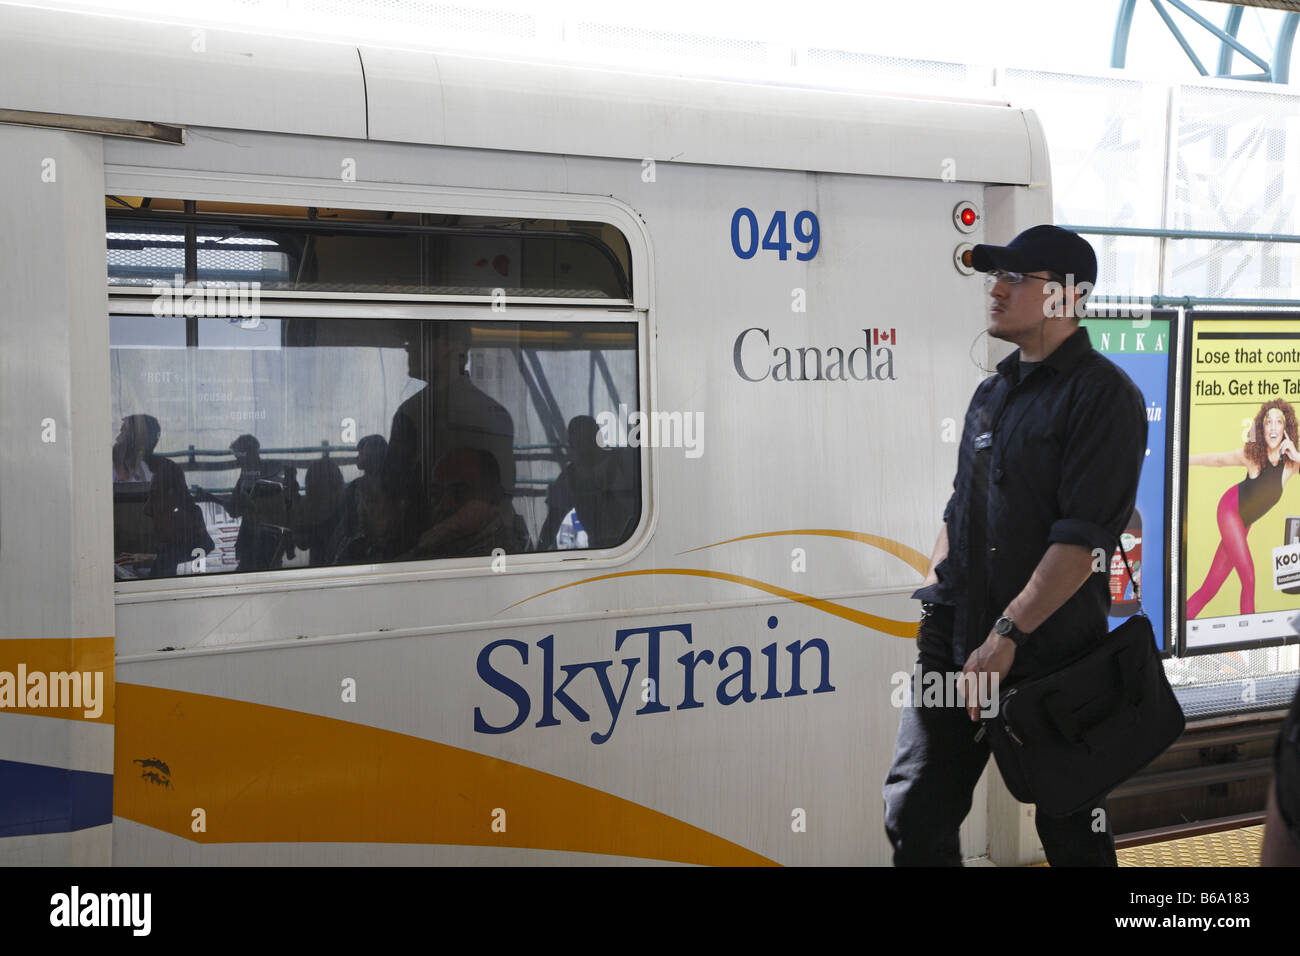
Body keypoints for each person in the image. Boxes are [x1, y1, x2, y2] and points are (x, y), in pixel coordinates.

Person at [882, 225, 1148, 866]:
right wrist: (943, 596)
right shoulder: (991, 395)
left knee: (1071, 828)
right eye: (992, 277)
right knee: (915, 816)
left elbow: (1082, 540)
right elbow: (959, 508)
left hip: (1050, 655)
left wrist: (1007, 635)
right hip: (954, 643)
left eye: (1013, 277)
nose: (994, 291)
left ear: (1064, 297)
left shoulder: (1104, 396)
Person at [382, 323, 518, 558]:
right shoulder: (496, 413)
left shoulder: (413, 414)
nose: (409, 349)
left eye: (417, 340)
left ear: (453, 348)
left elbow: (393, 496)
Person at [1187, 399, 1300, 618]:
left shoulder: (1290, 466)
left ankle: (1180, 621)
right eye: (1269, 422)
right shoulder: (1253, 457)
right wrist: (1183, 459)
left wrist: (1296, 455)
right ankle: (1251, 635)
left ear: (1286, 429)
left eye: (1279, 422)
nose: (1274, 427)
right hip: (1229, 511)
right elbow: (1217, 460)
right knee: (1249, 579)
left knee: (1210, 587)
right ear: (1262, 428)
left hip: (1242, 524)